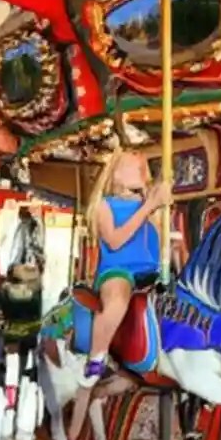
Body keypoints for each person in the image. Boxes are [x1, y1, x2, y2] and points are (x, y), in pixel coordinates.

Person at [84, 149, 172, 379]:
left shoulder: (148, 205)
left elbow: (159, 239)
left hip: (151, 270)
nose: (143, 171)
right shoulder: (106, 205)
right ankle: (97, 356)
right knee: (117, 300)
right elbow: (114, 241)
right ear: (115, 175)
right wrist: (146, 208)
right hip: (118, 270)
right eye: (135, 167)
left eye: (144, 167)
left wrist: (156, 208)